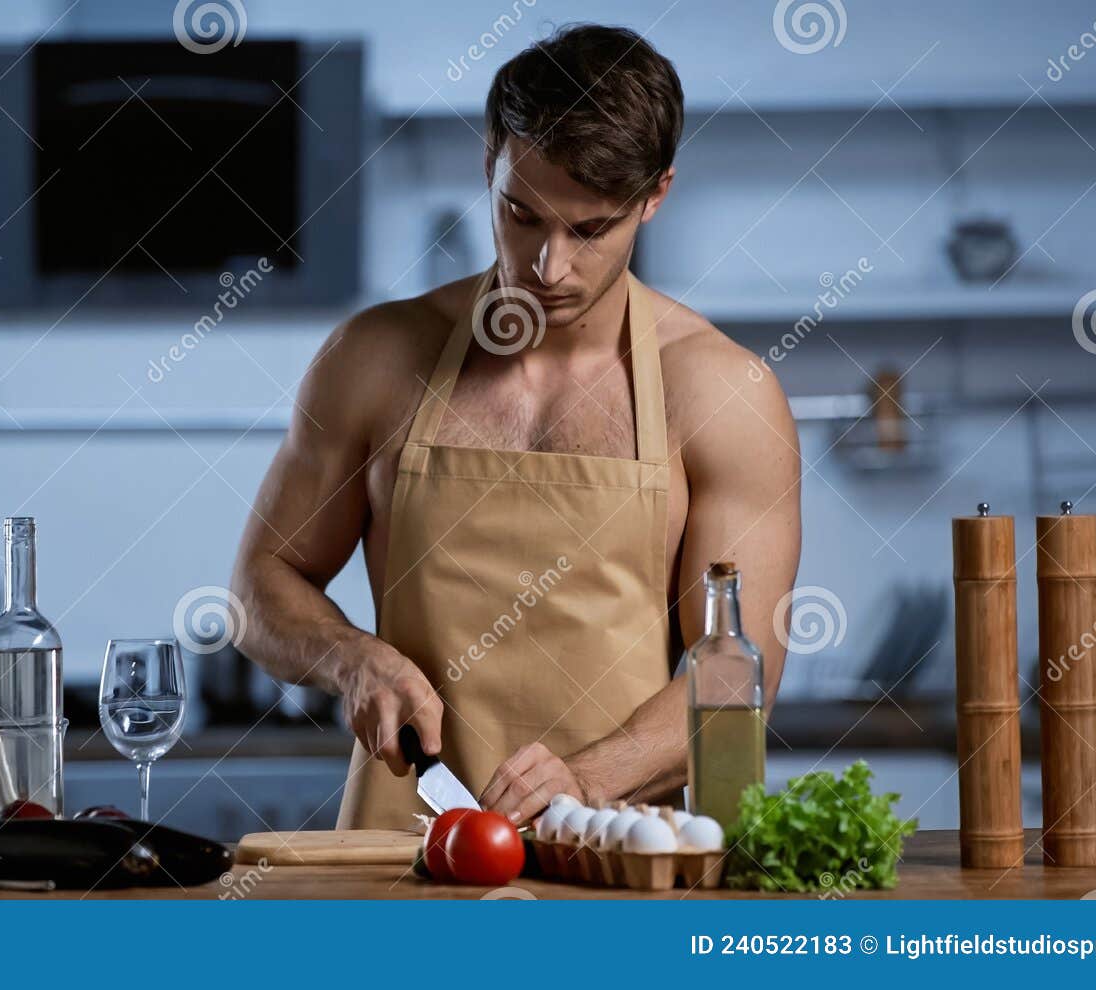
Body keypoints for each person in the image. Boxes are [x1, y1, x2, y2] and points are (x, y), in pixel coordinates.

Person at [231, 24, 801, 828]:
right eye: (521, 214)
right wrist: (351, 659)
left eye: (590, 229)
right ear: (489, 163)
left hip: (611, 853)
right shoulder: (373, 358)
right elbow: (261, 584)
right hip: (396, 855)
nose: (547, 267)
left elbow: (735, 682)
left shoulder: (722, 392)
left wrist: (588, 779)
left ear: (656, 195)